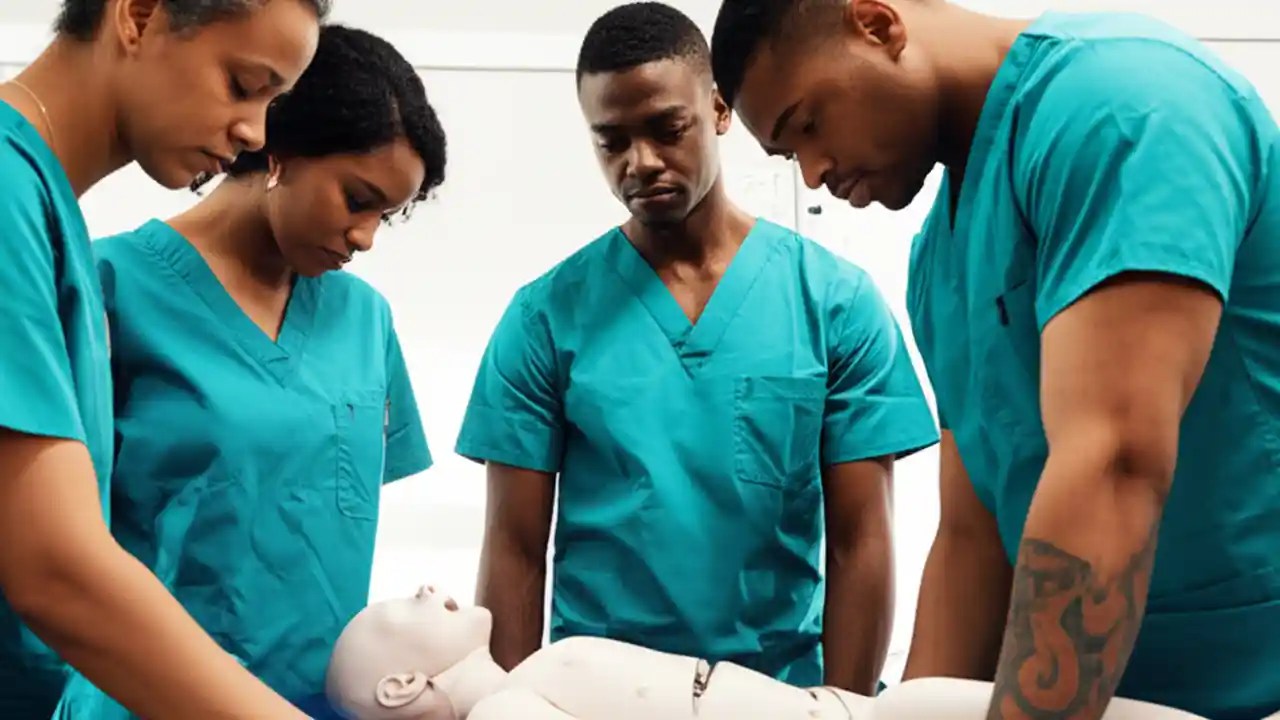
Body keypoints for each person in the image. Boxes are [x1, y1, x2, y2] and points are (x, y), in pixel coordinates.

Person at [708, 1, 1280, 719]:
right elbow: (972, 542)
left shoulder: (1121, 104)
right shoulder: (937, 263)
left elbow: (1114, 463)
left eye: (810, 124)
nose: (815, 174)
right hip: (1113, 698)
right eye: (791, 157)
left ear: (876, 23)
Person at [456, 1, 938, 695]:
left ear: (717, 109)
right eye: (610, 141)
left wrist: (844, 710)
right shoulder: (545, 318)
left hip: (776, 696)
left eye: (665, 129)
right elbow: (515, 545)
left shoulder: (833, 301)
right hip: (594, 696)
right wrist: (501, 708)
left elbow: (863, 539)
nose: (640, 162)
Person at [51, 22, 447, 719]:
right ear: (280, 151)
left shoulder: (365, 320)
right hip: (149, 700)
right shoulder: (109, 285)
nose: (366, 237)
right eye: (357, 199)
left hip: (316, 701)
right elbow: (52, 546)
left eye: (390, 215)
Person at [0, 0, 324, 717]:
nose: (253, 134)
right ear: (139, 16)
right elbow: (54, 571)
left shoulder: (49, 218)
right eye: (244, 84)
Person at [320, 584, 1206, 720]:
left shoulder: (533, 680)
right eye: (402, 602)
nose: (425, 587)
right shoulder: (509, 712)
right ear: (402, 684)